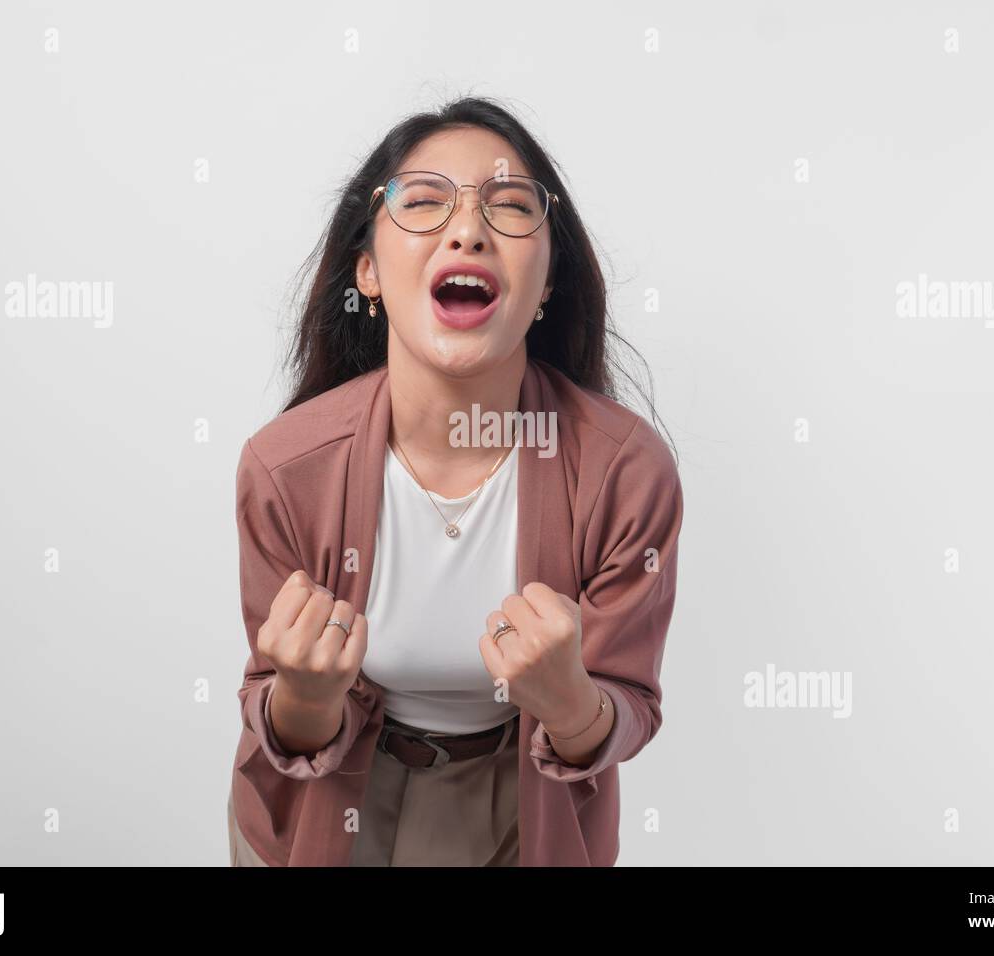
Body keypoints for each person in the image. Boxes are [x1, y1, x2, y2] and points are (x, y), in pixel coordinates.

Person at [227, 96, 683, 866]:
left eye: (509, 207)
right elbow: (278, 717)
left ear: (545, 286)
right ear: (367, 271)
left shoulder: (625, 470)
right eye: (425, 201)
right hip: (323, 808)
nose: (467, 229)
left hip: (523, 813)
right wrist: (302, 699)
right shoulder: (284, 467)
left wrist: (572, 705)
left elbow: (627, 708)